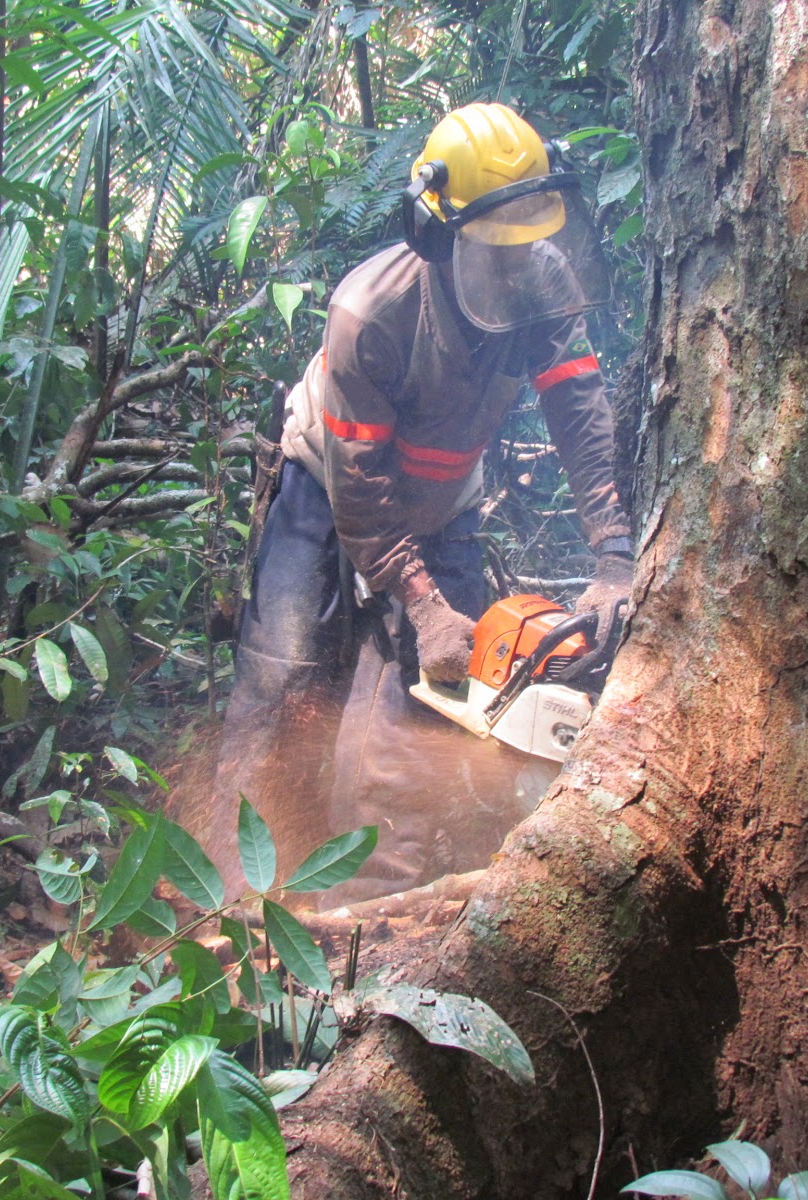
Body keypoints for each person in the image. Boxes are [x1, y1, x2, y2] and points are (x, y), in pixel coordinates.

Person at [203, 102, 633, 902]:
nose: (513, 271)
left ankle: (371, 914)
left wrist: (613, 554)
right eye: (491, 253)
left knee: (426, 709)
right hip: (323, 488)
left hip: (445, 503)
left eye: (524, 246)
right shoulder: (372, 311)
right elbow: (360, 488)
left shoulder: (541, 277)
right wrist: (417, 600)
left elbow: (580, 410)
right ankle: (235, 906)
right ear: (436, 236)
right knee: (283, 681)